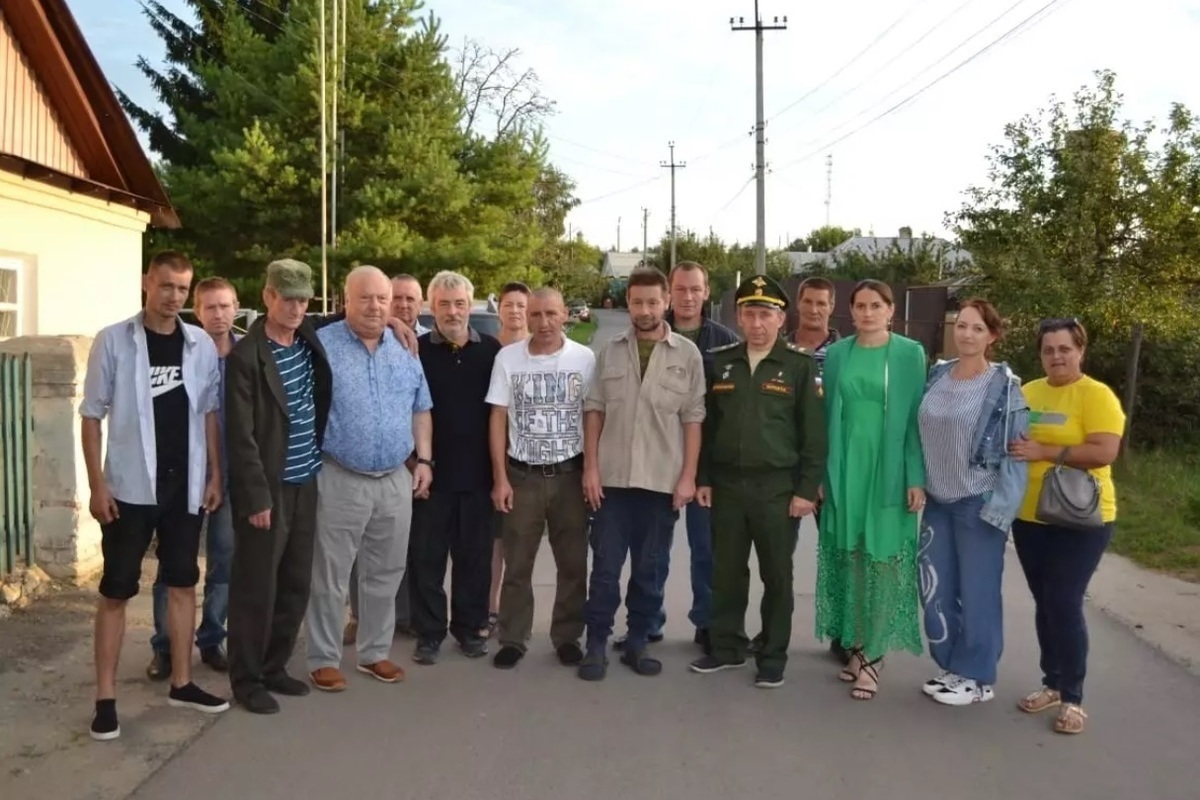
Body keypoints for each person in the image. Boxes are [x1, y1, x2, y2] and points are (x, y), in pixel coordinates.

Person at [80, 251, 228, 741]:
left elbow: (208, 412)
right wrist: (97, 485)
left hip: (181, 488)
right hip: (128, 488)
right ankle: (105, 699)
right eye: (166, 286)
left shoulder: (199, 344)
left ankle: (182, 682)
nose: (173, 297)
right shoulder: (115, 341)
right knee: (117, 591)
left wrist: (213, 475)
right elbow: (91, 416)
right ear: (147, 282)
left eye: (182, 289)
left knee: (184, 583)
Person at [689, 275, 826, 689]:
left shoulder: (799, 367)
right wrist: (705, 478)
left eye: (766, 314)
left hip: (777, 490)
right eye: (749, 313)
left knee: (777, 577)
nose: (757, 323)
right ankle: (727, 647)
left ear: (781, 319)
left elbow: (813, 436)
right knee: (726, 572)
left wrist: (806, 490)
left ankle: (772, 656)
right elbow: (710, 427)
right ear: (739, 317)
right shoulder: (723, 361)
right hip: (728, 486)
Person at [306, 266, 433, 691]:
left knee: (385, 572)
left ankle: (374, 653)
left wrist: (426, 461)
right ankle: (323, 658)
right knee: (330, 574)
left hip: (395, 478)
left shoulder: (405, 348)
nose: (376, 306)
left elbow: (421, 408)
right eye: (366, 298)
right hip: (340, 476)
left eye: (384, 299)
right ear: (346, 299)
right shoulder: (322, 344)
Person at [579, 268, 705, 680]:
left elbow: (693, 419)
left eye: (653, 301)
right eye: (637, 302)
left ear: (666, 301)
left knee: (650, 570)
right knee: (605, 570)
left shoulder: (687, 354)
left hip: (660, 483)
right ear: (627, 303)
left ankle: (637, 641)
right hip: (612, 482)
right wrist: (591, 469)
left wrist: (687, 477)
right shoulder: (610, 351)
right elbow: (594, 410)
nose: (645, 310)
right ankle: (595, 643)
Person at [225, 259, 332, 714]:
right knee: (256, 589)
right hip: (268, 490)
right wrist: (256, 497)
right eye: (287, 298)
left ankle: (274, 667)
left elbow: (361, 316)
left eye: (303, 300)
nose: (295, 307)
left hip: (306, 482)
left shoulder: (308, 338)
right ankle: (246, 680)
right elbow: (240, 434)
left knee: (294, 583)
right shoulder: (246, 357)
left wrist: (400, 324)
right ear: (267, 296)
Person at [1008, 318, 1124, 735]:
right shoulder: (1028, 392)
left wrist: (1045, 450)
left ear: (1080, 351)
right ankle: (1052, 683)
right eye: (1048, 350)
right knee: (1046, 600)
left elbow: (1105, 450)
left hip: (1082, 517)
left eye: (1064, 349)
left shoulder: (1097, 395)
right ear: (1040, 354)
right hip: (1031, 516)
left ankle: (1073, 697)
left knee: (1063, 599)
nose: (1056, 356)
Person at [815, 279, 927, 701]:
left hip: (888, 469)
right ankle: (857, 646)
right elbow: (827, 418)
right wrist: (823, 476)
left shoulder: (908, 354)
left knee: (883, 561)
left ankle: (875, 658)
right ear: (850, 311)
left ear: (890, 310)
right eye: (859, 306)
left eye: (875, 305)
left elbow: (915, 418)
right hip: (846, 466)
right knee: (852, 559)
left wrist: (915, 476)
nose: (867, 313)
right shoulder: (839, 353)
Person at [621, 261, 737, 655]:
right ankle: (647, 622)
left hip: (708, 465)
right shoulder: (649, 333)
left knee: (707, 549)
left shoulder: (725, 342)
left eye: (696, 289)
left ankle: (707, 623)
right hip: (659, 460)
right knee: (652, 552)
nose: (688, 297)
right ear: (669, 293)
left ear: (706, 292)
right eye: (681, 289)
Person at [918, 299, 1029, 706]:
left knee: (977, 590)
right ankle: (953, 667)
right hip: (937, 499)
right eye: (962, 326)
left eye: (977, 329)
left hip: (976, 501)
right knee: (935, 588)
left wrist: (1001, 509)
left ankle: (977, 675)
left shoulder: (1004, 388)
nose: (967, 334)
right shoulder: (937, 375)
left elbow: (1017, 454)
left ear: (992, 336)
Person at [487, 287, 595, 670]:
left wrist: (592, 471)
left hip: (570, 474)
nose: (543, 322)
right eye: (535, 315)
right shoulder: (508, 359)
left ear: (566, 314)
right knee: (518, 563)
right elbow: (498, 417)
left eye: (551, 313)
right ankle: (513, 638)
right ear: (526, 318)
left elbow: (592, 416)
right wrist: (500, 478)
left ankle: (567, 636)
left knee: (572, 563)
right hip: (523, 476)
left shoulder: (585, 359)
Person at [147, 277, 241, 682]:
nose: (218, 315)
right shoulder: (186, 353)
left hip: (234, 476)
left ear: (236, 307)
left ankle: (211, 639)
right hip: (184, 474)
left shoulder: (251, 355)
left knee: (224, 564)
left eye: (225, 306)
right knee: (174, 564)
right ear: (197, 311)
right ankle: (166, 647)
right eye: (209, 308)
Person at [750, 275, 845, 661]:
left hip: (831, 471)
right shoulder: (779, 348)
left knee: (837, 554)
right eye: (808, 302)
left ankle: (845, 635)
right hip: (784, 472)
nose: (814, 310)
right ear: (797, 306)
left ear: (831, 307)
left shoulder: (843, 354)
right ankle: (772, 634)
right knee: (776, 562)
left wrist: (819, 475)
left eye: (822, 303)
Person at [409, 272, 502, 664]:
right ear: (431, 306)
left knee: (474, 559)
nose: (452, 311)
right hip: (430, 474)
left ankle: (469, 629)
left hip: (479, 475)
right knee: (426, 560)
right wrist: (415, 461)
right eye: (443, 304)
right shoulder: (415, 351)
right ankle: (429, 633)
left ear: (471, 304)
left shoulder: (492, 351)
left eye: (459, 303)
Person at [483, 281, 532, 639]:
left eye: (521, 305)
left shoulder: (538, 351)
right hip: (486, 457)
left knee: (518, 540)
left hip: (526, 461)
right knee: (493, 540)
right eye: (508, 304)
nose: (514, 311)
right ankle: (491, 606)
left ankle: (514, 613)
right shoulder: (487, 350)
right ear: (498, 309)